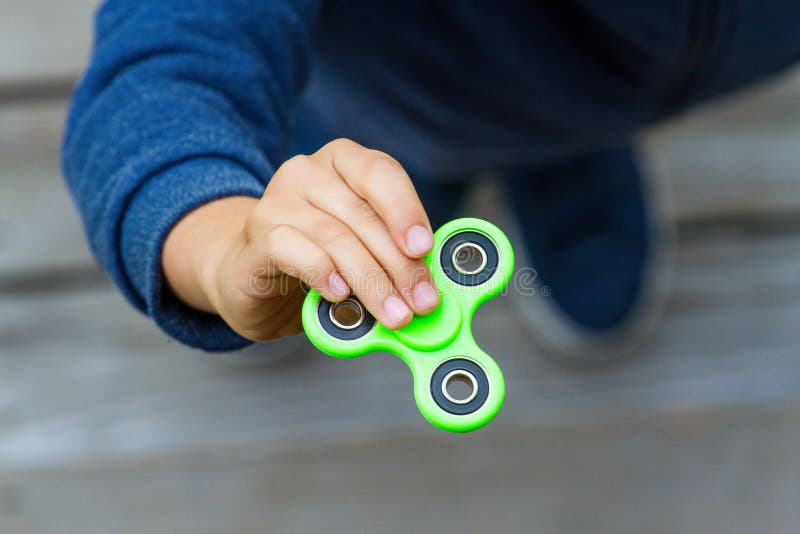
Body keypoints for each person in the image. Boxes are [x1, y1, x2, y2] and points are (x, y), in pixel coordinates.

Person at [63, 0, 800, 358]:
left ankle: (560, 159)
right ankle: (322, 211)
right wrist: (220, 244)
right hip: (394, 96)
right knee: (378, 191)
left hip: (603, 91)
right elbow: (162, 70)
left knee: (561, 122)